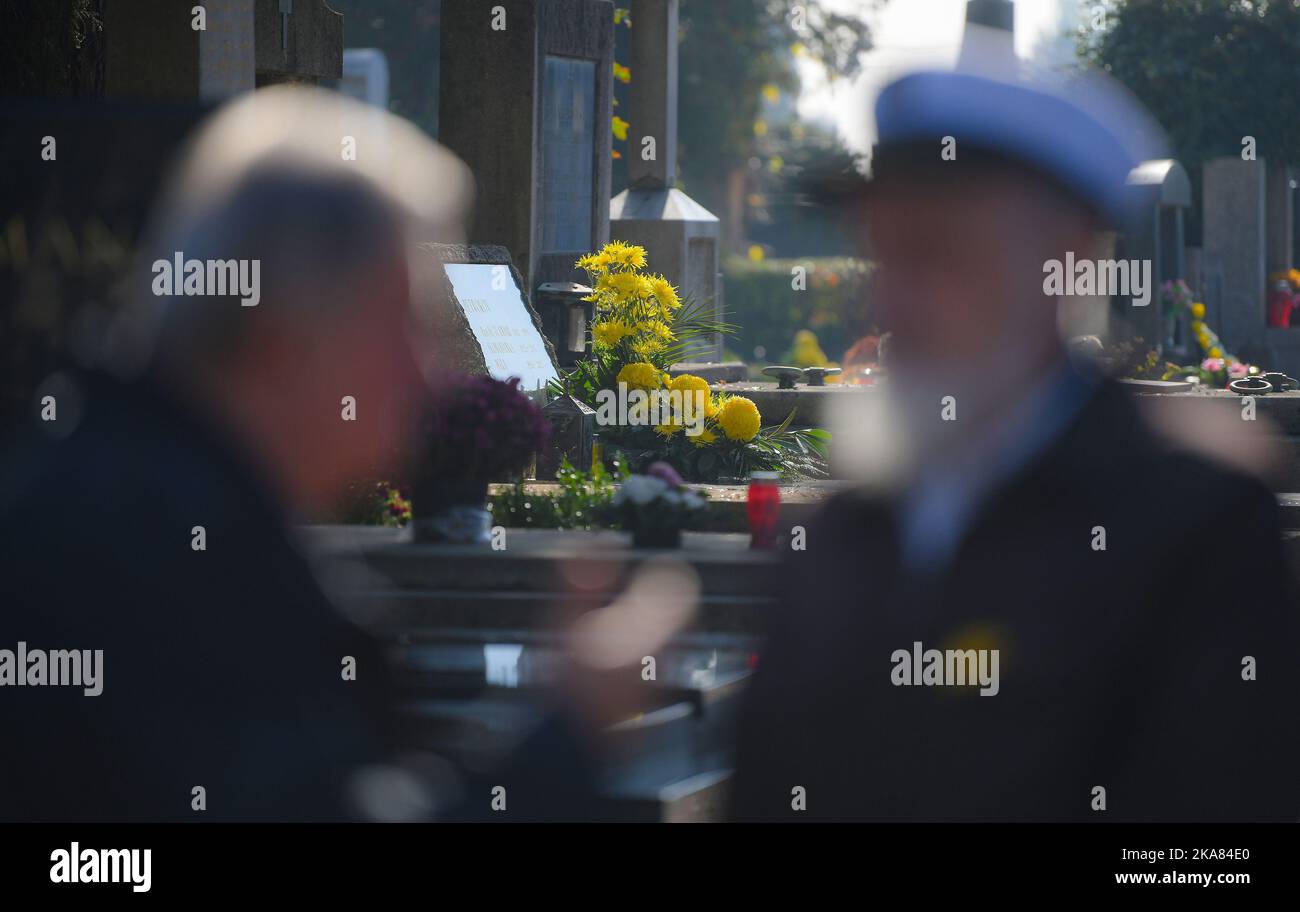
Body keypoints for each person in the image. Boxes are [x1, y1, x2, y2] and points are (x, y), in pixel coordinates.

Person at [0, 86, 691, 822]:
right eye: (406, 323)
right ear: (283, 333)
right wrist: (571, 734)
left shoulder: (162, 498)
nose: (428, 373)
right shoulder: (142, 555)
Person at [730, 68, 1300, 821]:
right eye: (883, 254)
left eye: (935, 254)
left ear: (1062, 261)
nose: (891, 301)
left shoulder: (1193, 523)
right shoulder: (843, 536)